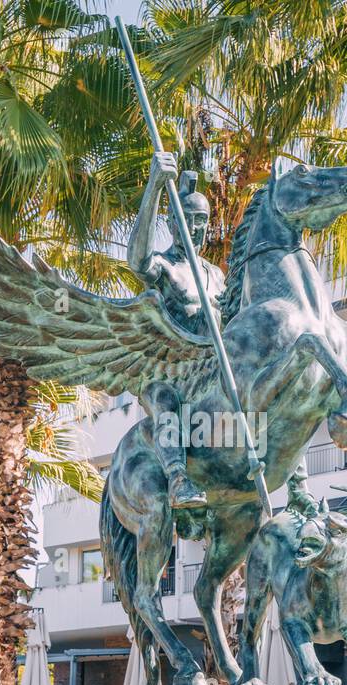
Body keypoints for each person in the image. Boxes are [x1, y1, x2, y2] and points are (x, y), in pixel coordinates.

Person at [126, 152, 225, 511]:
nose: (197, 228)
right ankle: (178, 477)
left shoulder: (216, 274)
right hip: (168, 371)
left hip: (208, 372)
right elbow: (137, 262)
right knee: (167, 403)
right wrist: (154, 186)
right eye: (189, 220)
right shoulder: (165, 266)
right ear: (173, 222)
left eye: (203, 221)